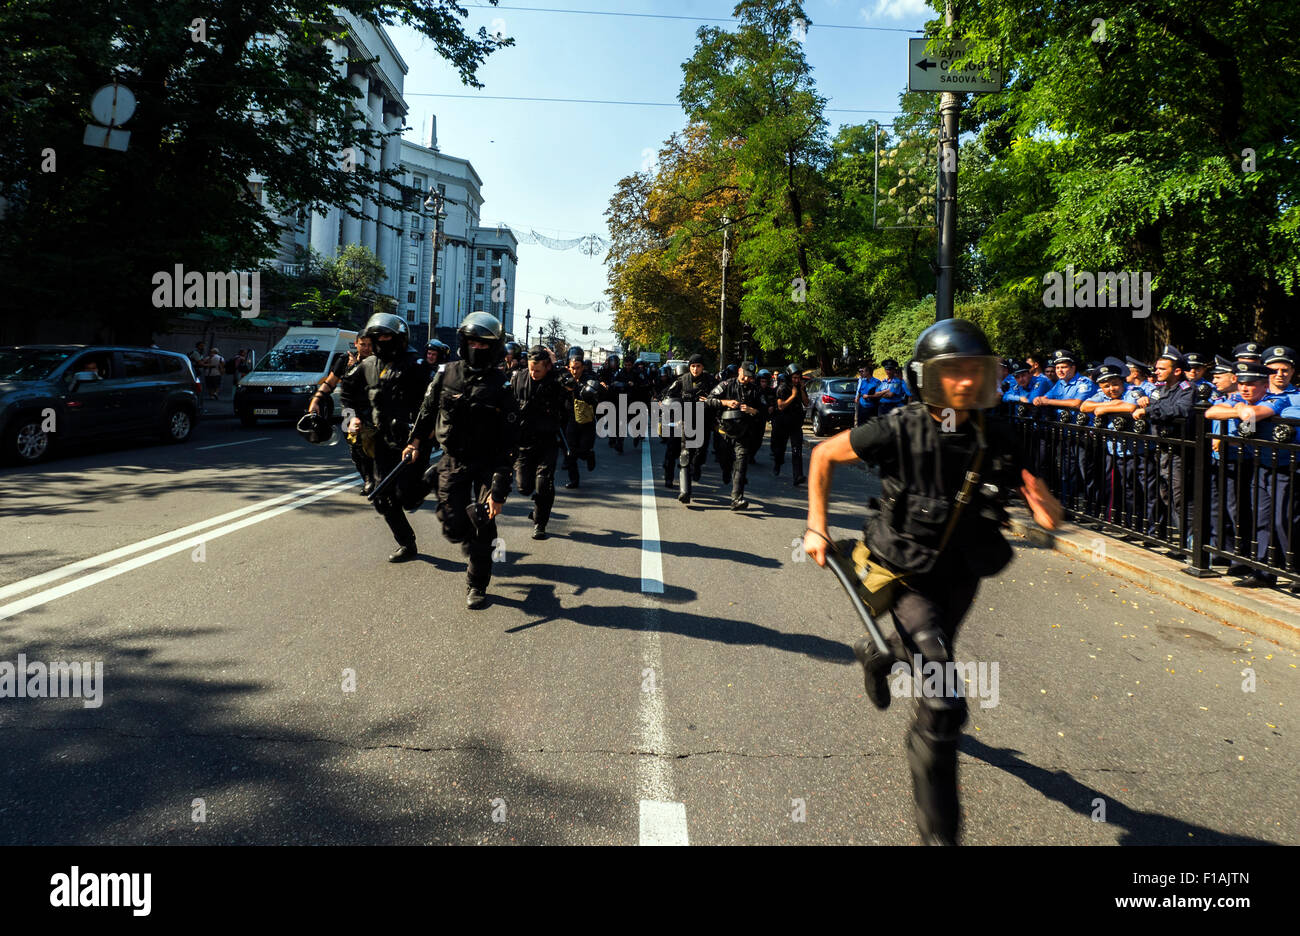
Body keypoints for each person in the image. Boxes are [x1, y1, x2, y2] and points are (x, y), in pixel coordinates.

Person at [803, 318, 1062, 846]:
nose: (966, 382)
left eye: (975, 371)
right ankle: (939, 838)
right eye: (954, 371)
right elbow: (824, 454)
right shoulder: (900, 427)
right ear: (930, 377)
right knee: (944, 702)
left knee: (926, 646)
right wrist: (815, 526)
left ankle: (878, 653)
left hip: (962, 575)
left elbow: (1037, 495)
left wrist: (1044, 505)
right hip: (905, 574)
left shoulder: (998, 434)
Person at [404, 312, 520, 609]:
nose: (476, 348)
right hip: (452, 459)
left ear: (493, 346)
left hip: (487, 462)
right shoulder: (445, 374)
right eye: (472, 342)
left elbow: (510, 439)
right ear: (462, 341)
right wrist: (414, 443)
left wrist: (499, 487)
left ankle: (477, 584)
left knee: (483, 522)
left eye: (483, 343)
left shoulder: (502, 385)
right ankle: (433, 478)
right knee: (453, 527)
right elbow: (427, 412)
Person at [340, 315, 431, 562]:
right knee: (381, 497)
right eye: (376, 336)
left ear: (400, 337)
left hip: (412, 441)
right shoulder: (368, 365)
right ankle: (407, 543)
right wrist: (352, 419)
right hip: (382, 440)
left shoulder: (417, 364)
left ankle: (434, 476)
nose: (381, 341)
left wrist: (419, 437)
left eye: (386, 336)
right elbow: (346, 393)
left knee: (408, 497)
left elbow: (431, 405)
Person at [1205, 362, 1290, 586]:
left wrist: (1243, 411)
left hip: (1283, 468)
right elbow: (1211, 411)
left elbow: (1254, 414)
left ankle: (1292, 569)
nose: (1244, 389)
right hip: (1260, 467)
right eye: (1242, 384)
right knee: (1261, 520)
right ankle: (1263, 571)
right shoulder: (1241, 402)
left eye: (1251, 385)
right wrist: (1238, 410)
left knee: (1283, 520)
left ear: (1265, 386)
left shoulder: (1277, 399)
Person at [1131, 346, 1194, 542]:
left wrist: (1149, 411)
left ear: (1176, 371)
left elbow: (1179, 410)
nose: (1156, 372)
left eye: (1161, 369)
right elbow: (1158, 405)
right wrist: (1151, 407)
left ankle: (1190, 543)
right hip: (1162, 448)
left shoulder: (1188, 389)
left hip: (1179, 450)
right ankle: (1181, 540)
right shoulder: (1159, 389)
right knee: (1165, 494)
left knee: (1180, 497)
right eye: (1156, 368)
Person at [511, 346, 567, 540]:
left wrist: (556, 362)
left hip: (547, 440)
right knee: (524, 487)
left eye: (538, 370)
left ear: (547, 367)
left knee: (544, 484)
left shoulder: (555, 380)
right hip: (523, 441)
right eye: (531, 369)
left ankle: (540, 523)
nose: (533, 374)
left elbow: (570, 384)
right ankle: (539, 506)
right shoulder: (518, 378)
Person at [311, 335, 375, 495]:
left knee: (371, 447)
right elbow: (330, 382)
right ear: (356, 344)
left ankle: (376, 479)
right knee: (355, 448)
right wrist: (316, 400)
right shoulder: (344, 359)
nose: (366, 348)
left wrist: (357, 367)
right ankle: (368, 479)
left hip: (371, 411)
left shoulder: (377, 362)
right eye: (363, 344)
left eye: (369, 345)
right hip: (349, 410)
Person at [560, 353, 601, 489]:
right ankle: (574, 480)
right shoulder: (565, 379)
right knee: (570, 452)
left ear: (583, 367)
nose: (575, 371)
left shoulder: (590, 379)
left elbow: (599, 392)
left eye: (577, 368)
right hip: (571, 419)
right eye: (572, 368)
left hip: (586, 421)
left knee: (583, 450)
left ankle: (589, 455)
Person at [771, 364, 808, 485]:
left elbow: (806, 403)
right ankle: (777, 463)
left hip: (796, 424)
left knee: (797, 450)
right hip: (782, 423)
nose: (797, 380)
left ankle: (798, 476)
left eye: (798, 378)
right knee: (779, 449)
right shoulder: (782, 388)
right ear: (789, 377)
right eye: (794, 378)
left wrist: (801, 390)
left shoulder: (799, 387)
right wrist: (792, 396)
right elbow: (780, 406)